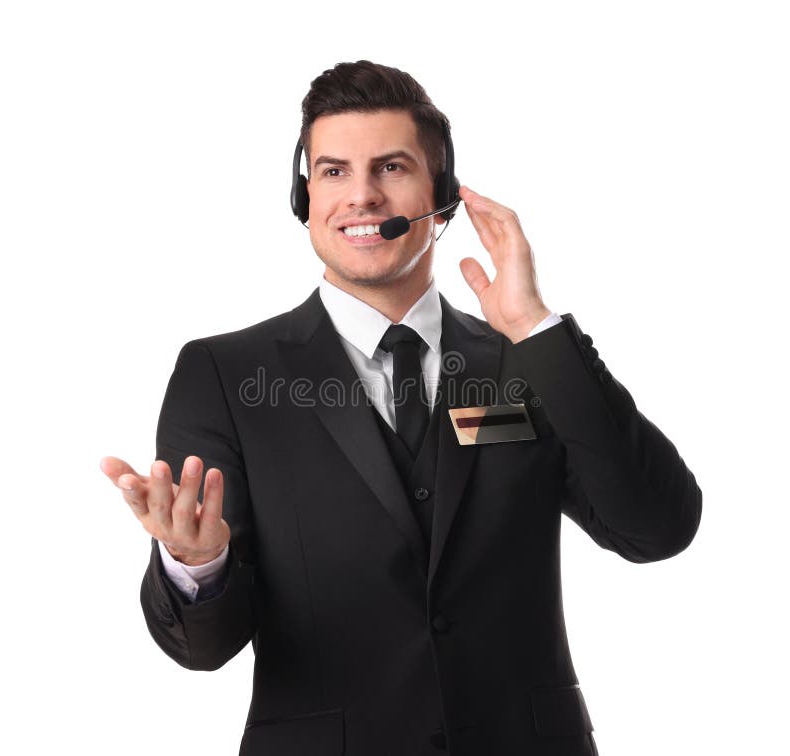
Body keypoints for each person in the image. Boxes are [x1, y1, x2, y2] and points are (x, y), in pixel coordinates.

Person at [100, 60, 702, 756]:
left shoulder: (529, 363)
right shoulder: (224, 375)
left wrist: (535, 329)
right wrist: (197, 564)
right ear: (303, 197)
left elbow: (658, 528)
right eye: (333, 171)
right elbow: (202, 651)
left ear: (441, 197)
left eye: (390, 167)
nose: (361, 195)